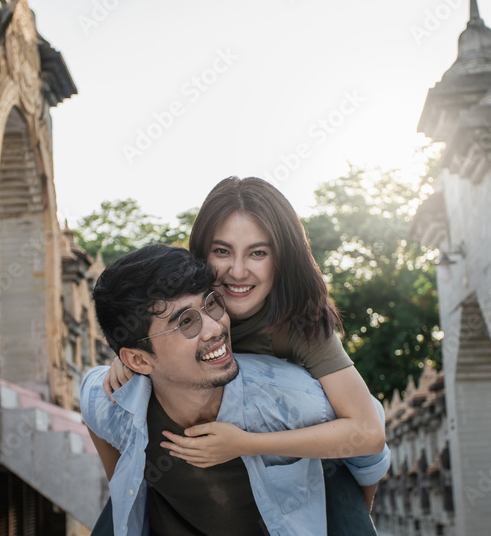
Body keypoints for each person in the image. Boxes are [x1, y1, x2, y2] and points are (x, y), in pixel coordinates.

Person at [103, 177, 385, 519]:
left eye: (258, 253)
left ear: (281, 257)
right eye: (222, 251)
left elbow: (368, 434)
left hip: (303, 452)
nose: (237, 272)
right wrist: (127, 361)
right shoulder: (184, 301)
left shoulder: (301, 321)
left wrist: (244, 444)